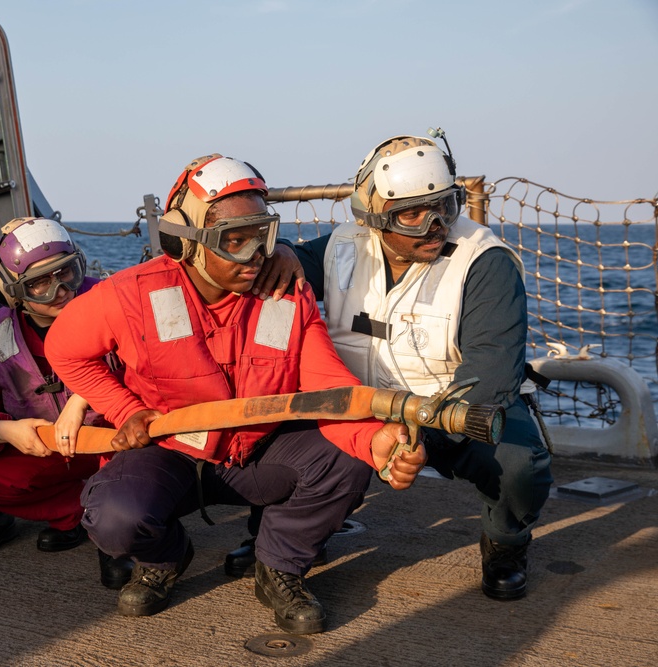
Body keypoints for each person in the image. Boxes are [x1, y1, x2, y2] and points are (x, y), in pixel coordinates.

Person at [44, 154, 425, 635]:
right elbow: (64, 350)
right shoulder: (130, 295)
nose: (256, 256)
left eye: (263, 236)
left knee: (345, 462)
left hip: (259, 454)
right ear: (186, 242)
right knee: (114, 518)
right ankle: (164, 559)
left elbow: (329, 386)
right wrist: (125, 411)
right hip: (169, 456)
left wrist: (376, 442)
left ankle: (279, 567)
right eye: (235, 240)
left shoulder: (287, 293)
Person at [283, 133, 553, 600]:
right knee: (276, 441)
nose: (436, 225)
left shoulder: (483, 260)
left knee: (519, 465)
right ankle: (288, 536)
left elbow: (491, 374)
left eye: (446, 206)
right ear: (374, 216)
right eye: (413, 213)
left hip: (450, 410)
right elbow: (290, 266)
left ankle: (505, 543)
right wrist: (283, 253)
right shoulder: (342, 245)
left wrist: (415, 431)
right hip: (361, 405)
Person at [0, 217, 134, 588]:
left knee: (134, 478)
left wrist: (84, 396)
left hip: (117, 447)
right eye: (40, 283)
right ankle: (79, 514)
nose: (60, 291)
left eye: (67, 273)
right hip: (49, 454)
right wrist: (5, 429)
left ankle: (114, 527)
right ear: (14, 289)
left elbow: (155, 375)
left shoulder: (114, 304)